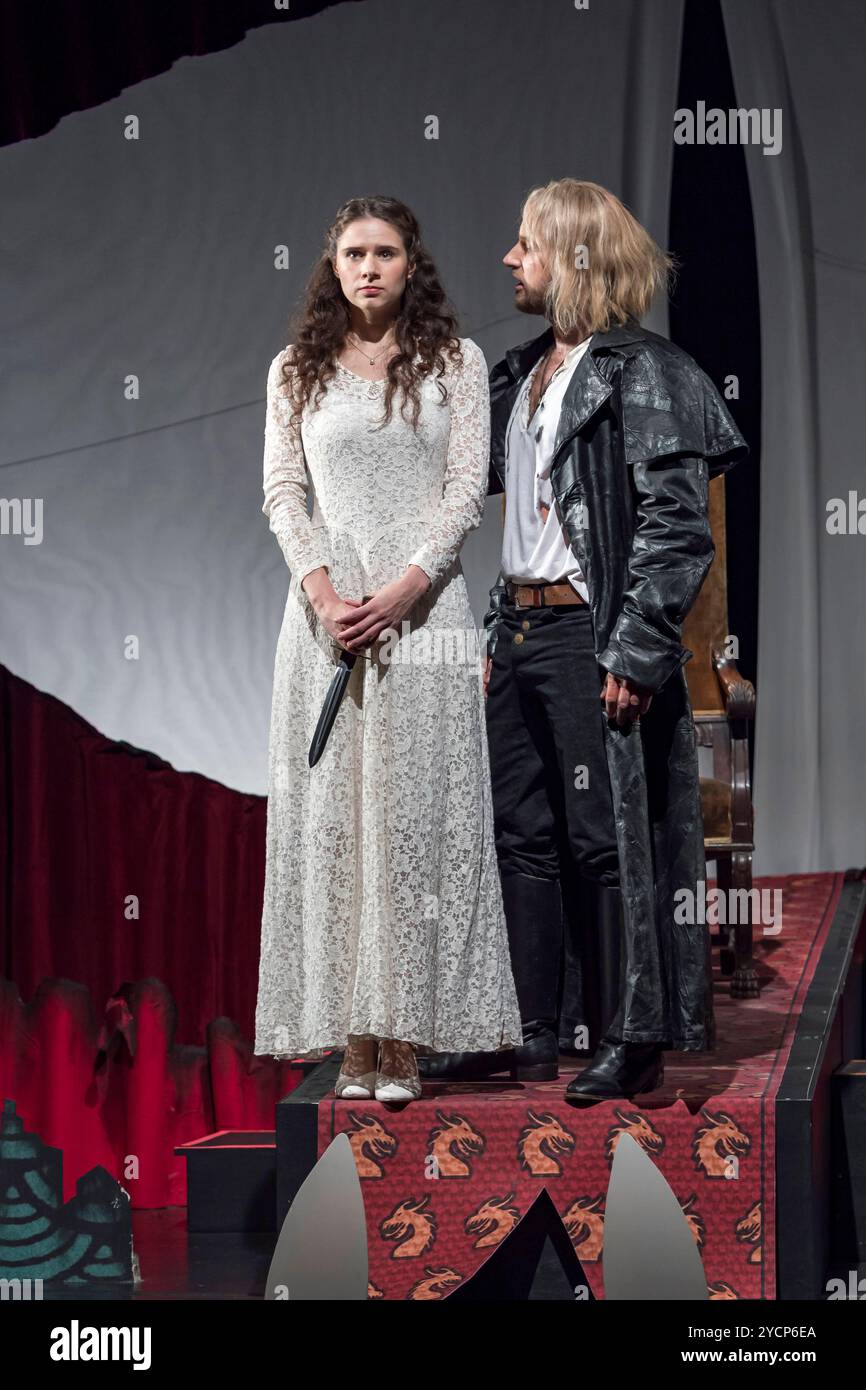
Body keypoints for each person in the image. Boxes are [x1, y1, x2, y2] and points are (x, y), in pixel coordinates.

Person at [419, 178, 748, 1101]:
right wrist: (493, 622)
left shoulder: (645, 370)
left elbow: (678, 530)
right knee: (522, 833)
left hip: (587, 635)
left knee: (605, 840)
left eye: (524, 243)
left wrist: (637, 648)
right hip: (521, 628)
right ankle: (529, 1032)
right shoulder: (522, 373)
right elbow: (495, 503)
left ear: (569, 255)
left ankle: (626, 1034)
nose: (509, 258)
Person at [254, 195, 523, 1103]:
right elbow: (283, 495)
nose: (369, 267)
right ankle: (352, 1040)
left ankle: (401, 1042)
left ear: (414, 264)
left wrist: (407, 587)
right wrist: (326, 593)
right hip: (327, 623)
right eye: (353, 254)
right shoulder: (295, 369)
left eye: (386, 253)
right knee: (336, 825)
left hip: (426, 617)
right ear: (332, 267)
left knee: (415, 823)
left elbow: (463, 493)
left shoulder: (455, 361)